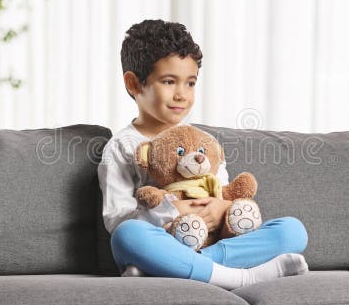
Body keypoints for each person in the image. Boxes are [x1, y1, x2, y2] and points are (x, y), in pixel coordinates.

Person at [98, 19, 309, 290]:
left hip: (212, 239)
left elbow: (223, 193)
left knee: (292, 231)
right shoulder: (122, 146)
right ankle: (238, 277)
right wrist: (174, 210)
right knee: (127, 236)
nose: (182, 95)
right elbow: (117, 219)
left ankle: (179, 267)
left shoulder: (204, 144)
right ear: (134, 84)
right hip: (162, 239)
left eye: (190, 83)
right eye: (169, 81)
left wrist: (220, 208)